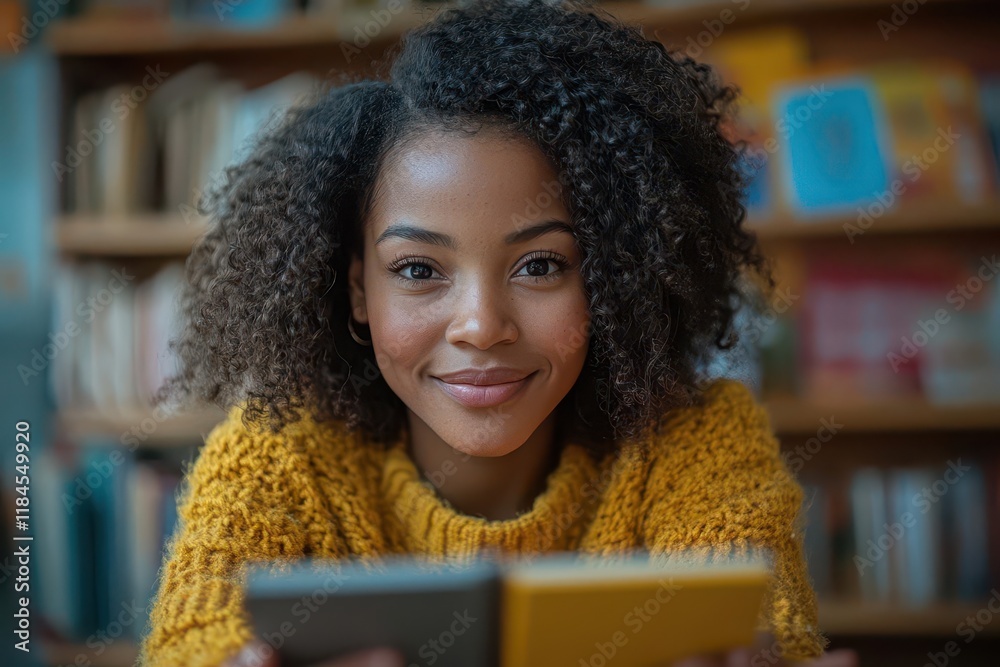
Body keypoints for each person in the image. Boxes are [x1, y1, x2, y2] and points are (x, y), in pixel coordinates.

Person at [136, 1, 857, 666]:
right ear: (358, 289)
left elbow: (758, 632)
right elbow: (194, 640)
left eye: (540, 264)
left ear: (613, 277)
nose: (480, 325)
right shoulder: (276, 456)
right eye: (419, 269)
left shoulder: (696, 441)